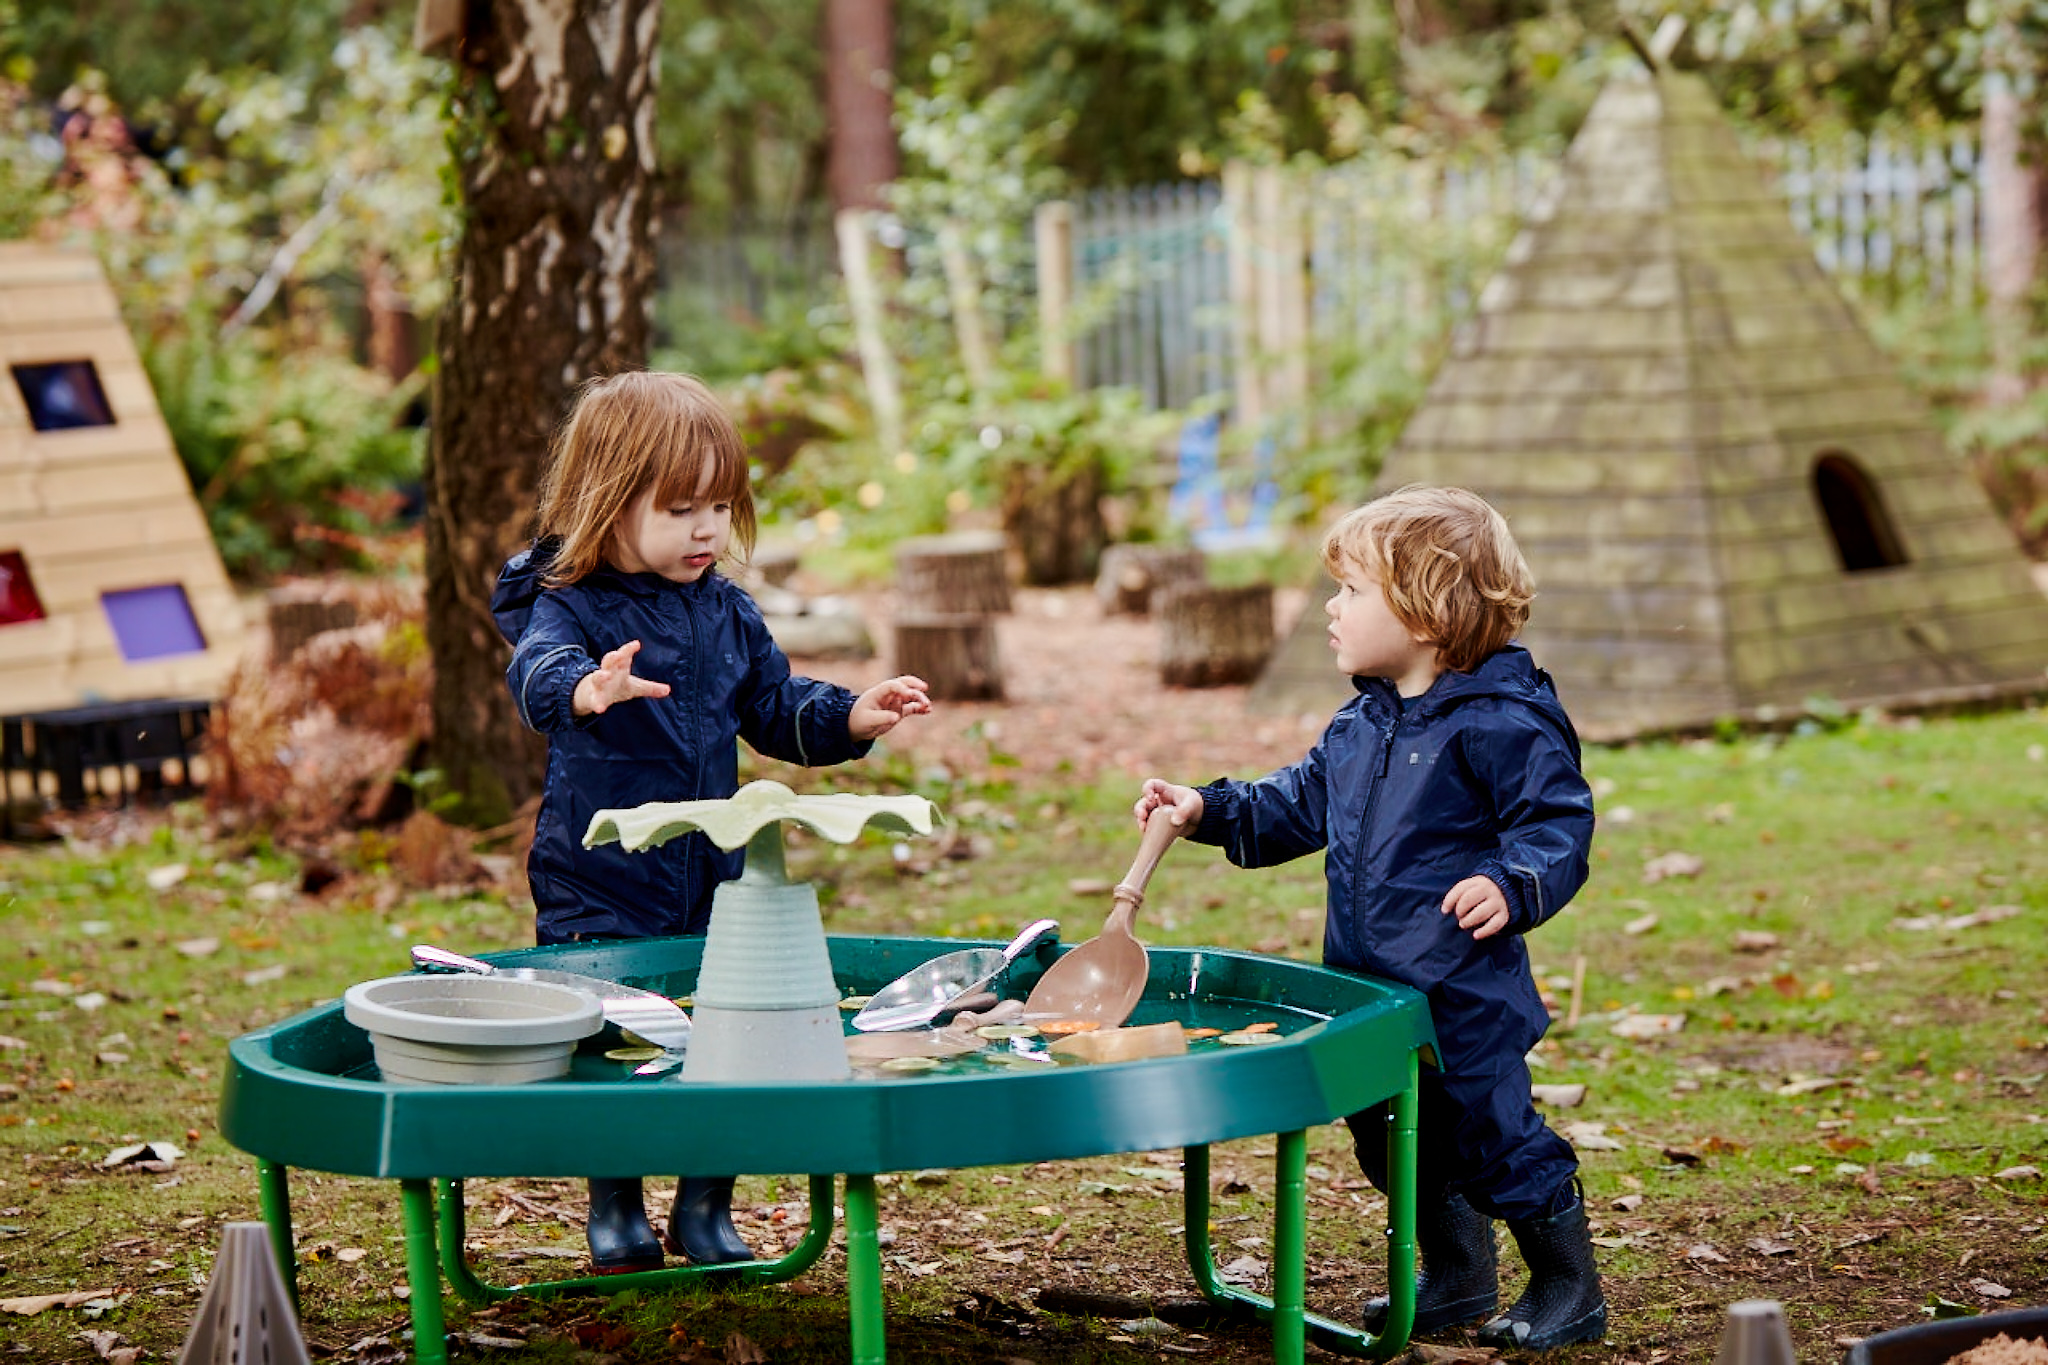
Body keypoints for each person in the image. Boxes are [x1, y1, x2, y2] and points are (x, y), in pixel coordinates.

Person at [1133, 485, 1605, 1350]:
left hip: (1462, 995)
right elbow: (1293, 805)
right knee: (1391, 1137)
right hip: (1368, 986)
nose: (1331, 606)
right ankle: (1458, 1273)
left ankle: (1569, 1282)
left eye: (1352, 590)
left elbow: (1555, 824)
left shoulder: (1502, 721)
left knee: (1494, 1138)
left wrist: (1513, 880)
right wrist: (1206, 807)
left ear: (1425, 612)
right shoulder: (1363, 722)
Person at [491, 370, 932, 1274]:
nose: (709, 529)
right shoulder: (570, 605)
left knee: (723, 1030)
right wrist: (584, 686)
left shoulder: (726, 609)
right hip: (598, 873)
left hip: (718, 875)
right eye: (683, 506)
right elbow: (537, 672)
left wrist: (852, 714)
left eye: (722, 505)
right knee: (609, 1034)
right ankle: (614, 1208)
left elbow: (774, 706)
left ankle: (704, 1204)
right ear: (608, 503)